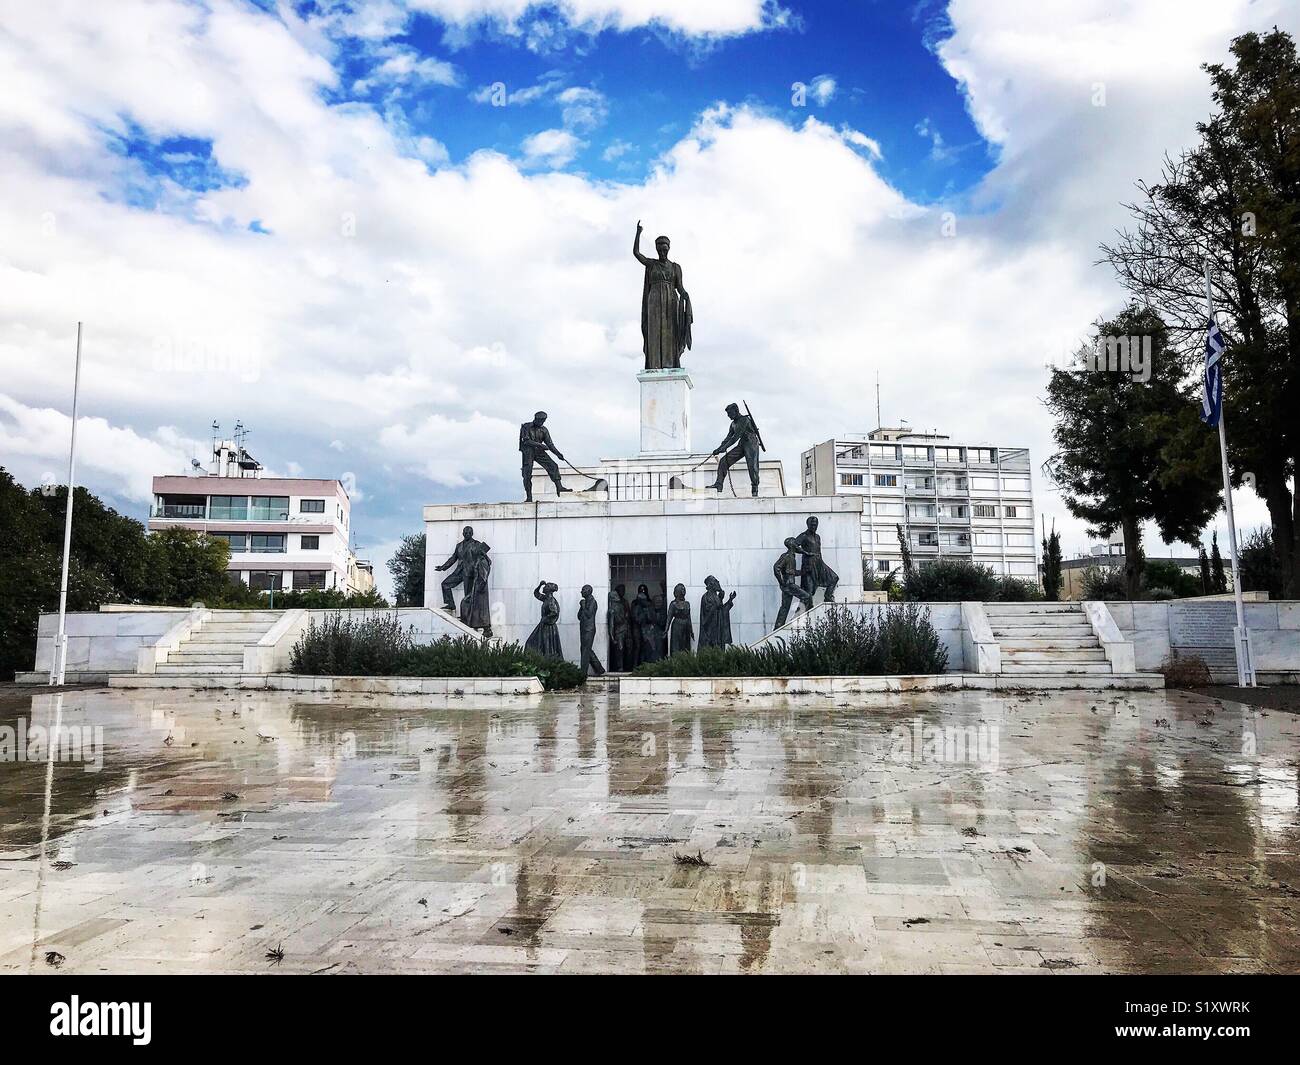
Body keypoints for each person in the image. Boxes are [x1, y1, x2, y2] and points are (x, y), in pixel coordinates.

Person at [632, 220, 692, 370]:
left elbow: (680, 287)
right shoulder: (652, 264)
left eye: (664, 250)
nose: (662, 253)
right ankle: (654, 364)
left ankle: (670, 363)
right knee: (654, 332)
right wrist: (638, 233)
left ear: (668, 249)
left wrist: (685, 295)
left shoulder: (675, 267)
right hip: (654, 301)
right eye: (660, 250)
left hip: (670, 302)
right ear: (657, 250)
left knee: (670, 333)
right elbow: (637, 253)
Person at [434, 526, 490, 613]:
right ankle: (450, 604)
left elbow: (484, 557)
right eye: (466, 533)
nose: (467, 534)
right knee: (445, 584)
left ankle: (467, 614)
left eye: (469, 533)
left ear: (472, 534)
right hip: (459, 571)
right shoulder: (459, 546)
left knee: (468, 595)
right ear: (463, 534)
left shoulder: (477, 544)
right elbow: (453, 558)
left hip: (470, 572)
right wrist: (443, 567)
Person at [710, 403, 761, 496]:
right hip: (742, 444)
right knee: (723, 461)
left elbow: (735, 438)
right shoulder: (733, 424)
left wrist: (723, 448)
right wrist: (719, 449)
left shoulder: (744, 420)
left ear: (736, 411)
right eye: (728, 414)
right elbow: (728, 438)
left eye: (729, 413)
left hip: (751, 443)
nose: (728, 415)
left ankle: (755, 489)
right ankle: (719, 484)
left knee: (752, 467)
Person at [519, 411, 571, 502]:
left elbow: (550, 444)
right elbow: (526, 441)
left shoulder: (544, 430)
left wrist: (558, 454)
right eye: (540, 421)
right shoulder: (526, 427)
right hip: (528, 452)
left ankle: (559, 488)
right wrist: (540, 445)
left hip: (539, 451)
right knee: (527, 474)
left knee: (553, 466)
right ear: (536, 419)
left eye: (543, 421)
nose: (542, 423)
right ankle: (529, 497)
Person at [793, 516, 839, 602]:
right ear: (808, 525)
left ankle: (828, 597)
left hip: (819, 564)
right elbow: (793, 545)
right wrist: (805, 552)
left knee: (834, 578)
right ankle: (806, 608)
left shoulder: (817, 537)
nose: (814, 527)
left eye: (815, 524)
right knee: (809, 591)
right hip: (809, 565)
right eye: (812, 525)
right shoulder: (803, 536)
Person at [773, 537, 813, 629]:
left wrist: (803, 572)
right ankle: (796, 618)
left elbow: (792, 572)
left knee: (785, 607)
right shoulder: (786, 556)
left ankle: (778, 626)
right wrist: (781, 582)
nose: (797, 546)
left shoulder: (791, 557)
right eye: (795, 543)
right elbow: (776, 568)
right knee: (806, 597)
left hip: (788, 584)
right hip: (789, 584)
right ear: (791, 545)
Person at [458, 541, 493, 636]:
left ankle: (485, 628)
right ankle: (472, 623)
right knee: (476, 607)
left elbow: (483, 576)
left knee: (477, 607)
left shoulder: (482, 561)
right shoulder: (480, 560)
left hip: (479, 589)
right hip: (477, 587)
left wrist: (479, 588)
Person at [525, 580, 563, 660]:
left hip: (548, 627)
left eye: (545, 587)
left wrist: (545, 618)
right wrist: (539, 585)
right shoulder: (545, 598)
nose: (544, 587)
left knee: (543, 645)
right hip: (544, 625)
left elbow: (554, 612)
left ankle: (546, 661)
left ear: (548, 590)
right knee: (532, 643)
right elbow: (536, 594)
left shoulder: (550, 600)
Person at [698, 576, 736, 649]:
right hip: (710, 633)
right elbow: (706, 616)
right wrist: (716, 605)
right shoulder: (706, 597)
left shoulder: (717, 597)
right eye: (715, 581)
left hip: (718, 630)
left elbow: (722, 611)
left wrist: (730, 600)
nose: (718, 582)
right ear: (711, 584)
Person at [629, 583, 662, 664]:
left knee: (647, 647)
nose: (643, 591)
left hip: (646, 630)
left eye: (644, 590)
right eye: (641, 590)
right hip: (637, 629)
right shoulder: (635, 604)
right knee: (637, 647)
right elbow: (635, 618)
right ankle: (635, 665)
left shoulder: (649, 604)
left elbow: (652, 618)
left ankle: (644, 664)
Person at [577, 585, 605, 676]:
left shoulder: (593, 601)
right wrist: (582, 607)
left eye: (583, 590)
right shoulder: (585, 602)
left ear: (588, 591)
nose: (581, 592)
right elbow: (579, 616)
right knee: (585, 649)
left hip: (589, 629)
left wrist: (583, 606)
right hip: (583, 628)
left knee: (585, 650)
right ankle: (599, 668)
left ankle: (583, 673)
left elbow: (589, 614)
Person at [607, 584, 630, 671]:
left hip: (625, 628)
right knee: (620, 648)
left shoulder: (622, 605)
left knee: (627, 648)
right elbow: (611, 625)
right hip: (618, 631)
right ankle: (620, 667)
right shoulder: (612, 610)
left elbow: (626, 616)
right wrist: (612, 637)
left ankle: (626, 666)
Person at [667, 583, 693, 656]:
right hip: (677, 626)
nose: (683, 591)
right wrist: (666, 629)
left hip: (686, 626)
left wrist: (691, 631)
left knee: (685, 646)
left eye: (684, 589)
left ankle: (686, 660)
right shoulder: (673, 604)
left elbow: (689, 618)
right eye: (682, 589)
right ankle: (675, 660)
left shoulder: (687, 604)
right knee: (676, 645)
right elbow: (669, 617)